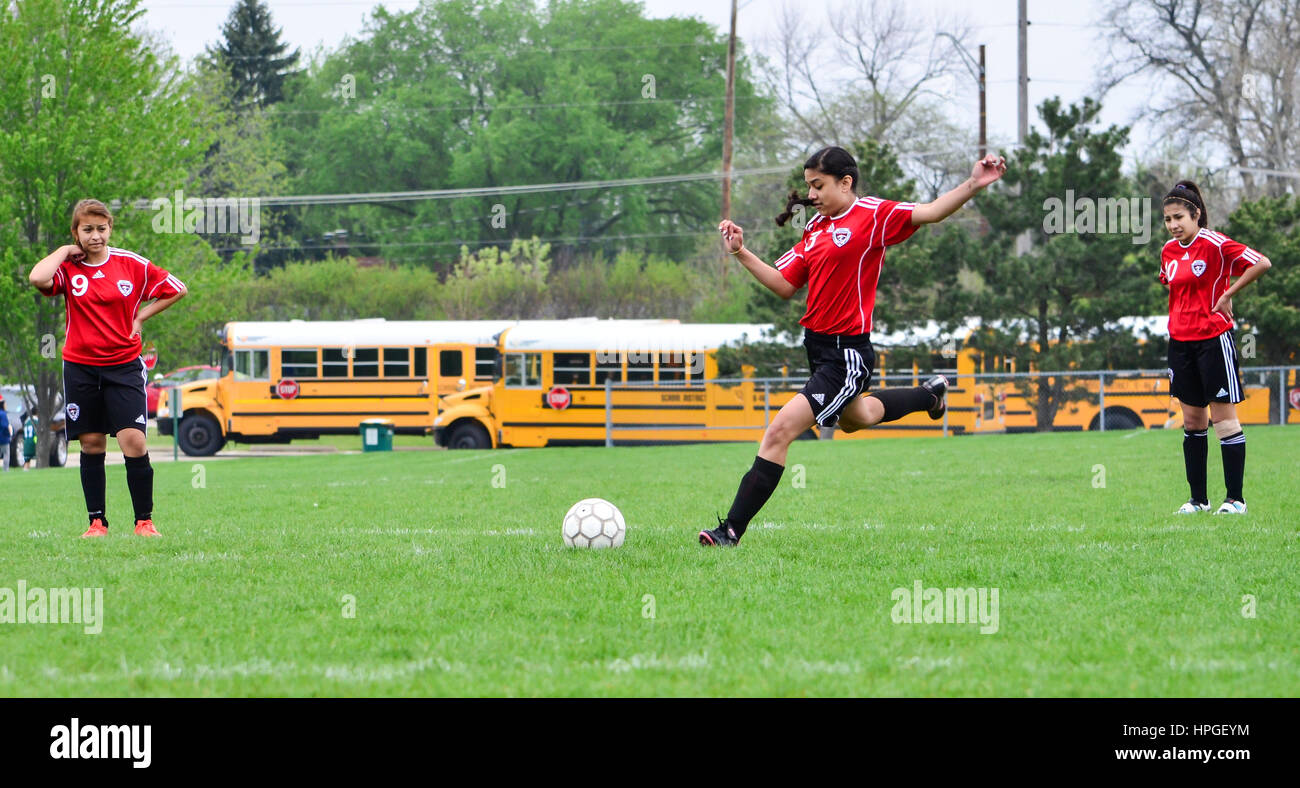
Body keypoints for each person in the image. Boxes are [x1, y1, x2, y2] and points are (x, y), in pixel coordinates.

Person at [699, 146, 1007, 546]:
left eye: (819, 185)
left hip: (847, 354)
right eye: (808, 185)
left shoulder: (873, 215)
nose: (811, 194)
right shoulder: (815, 228)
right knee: (855, 417)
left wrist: (973, 183)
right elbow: (783, 285)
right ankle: (929, 396)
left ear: (845, 183)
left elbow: (931, 211)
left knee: (777, 432)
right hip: (819, 349)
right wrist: (740, 251)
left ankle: (730, 531)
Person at [28, 199, 188, 537]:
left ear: (110, 229)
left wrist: (141, 316)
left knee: (134, 442)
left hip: (124, 366)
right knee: (92, 444)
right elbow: (36, 277)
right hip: (80, 367)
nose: (96, 236)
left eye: (101, 229)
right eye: (87, 230)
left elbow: (177, 289)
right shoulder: (69, 269)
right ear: (77, 233)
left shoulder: (130, 264)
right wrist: (63, 250)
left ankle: (144, 521)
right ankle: (97, 522)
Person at [1160, 181, 1271, 515]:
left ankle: (1235, 500)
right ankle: (1199, 500)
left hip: (1213, 340)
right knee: (1193, 422)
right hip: (1180, 344)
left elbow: (1261, 262)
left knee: (1223, 421)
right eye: (1167, 219)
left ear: (1196, 215)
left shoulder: (1215, 243)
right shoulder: (1168, 251)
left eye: (1179, 217)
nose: (1173, 225)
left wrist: (1227, 294)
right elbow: (1174, 288)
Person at [0, 395, 10, 473]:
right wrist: (8, 434)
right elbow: (4, 426)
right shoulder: (3, 414)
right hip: (3, 438)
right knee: (6, 454)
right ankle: (5, 470)